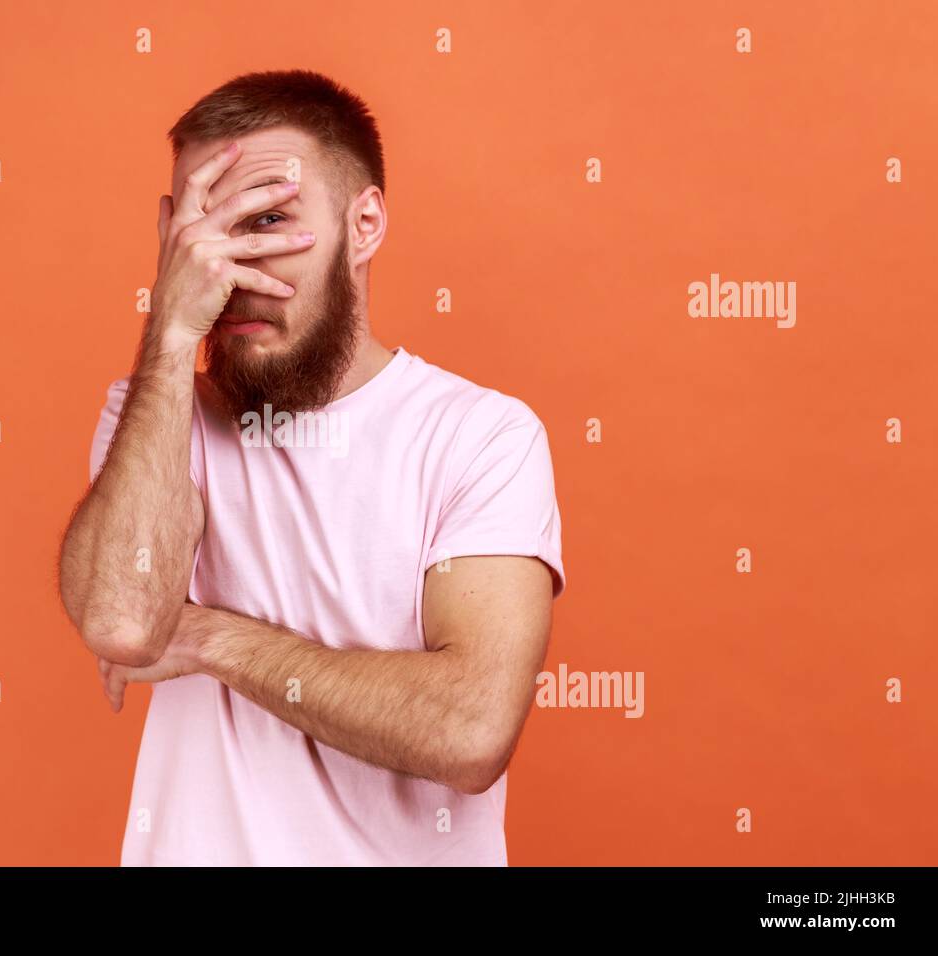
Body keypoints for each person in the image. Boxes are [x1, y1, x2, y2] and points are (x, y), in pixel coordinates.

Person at [58, 69, 565, 866]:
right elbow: (122, 623)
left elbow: (470, 730)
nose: (235, 274)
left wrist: (208, 637)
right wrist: (168, 328)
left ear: (363, 226)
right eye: (206, 233)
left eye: (267, 221)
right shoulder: (154, 419)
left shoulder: (482, 437)